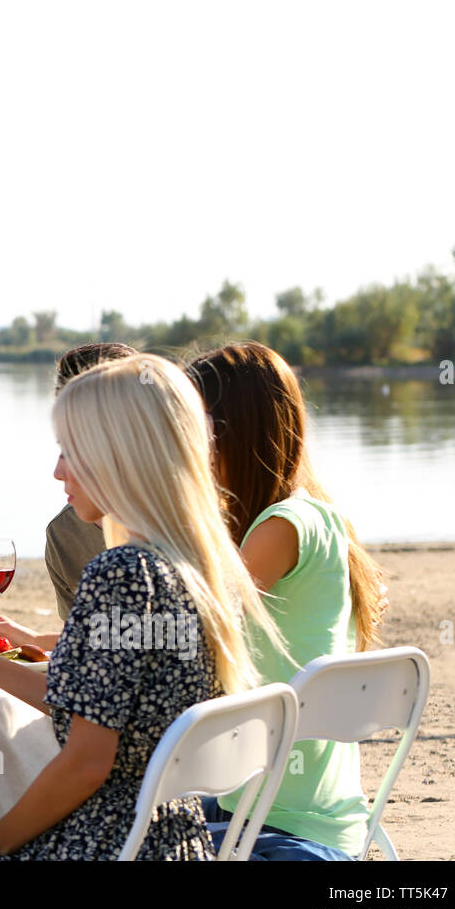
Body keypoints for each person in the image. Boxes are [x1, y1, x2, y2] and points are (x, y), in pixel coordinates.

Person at [0, 354, 283, 860]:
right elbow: (98, 704)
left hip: (107, 842)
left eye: (70, 450)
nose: (56, 470)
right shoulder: (197, 562)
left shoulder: (123, 573)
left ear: (118, 455)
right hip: (173, 840)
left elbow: (88, 763)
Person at [188, 341, 382, 860]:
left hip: (284, 832)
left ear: (232, 429)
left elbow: (186, 628)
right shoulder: (305, 514)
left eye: (190, 425)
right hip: (258, 809)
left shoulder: (282, 526)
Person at [0, 343, 137, 655]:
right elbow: (95, 648)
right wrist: (24, 638)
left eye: (73, 447)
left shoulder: (171, 551)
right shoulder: (65, 534)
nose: (57, 471)